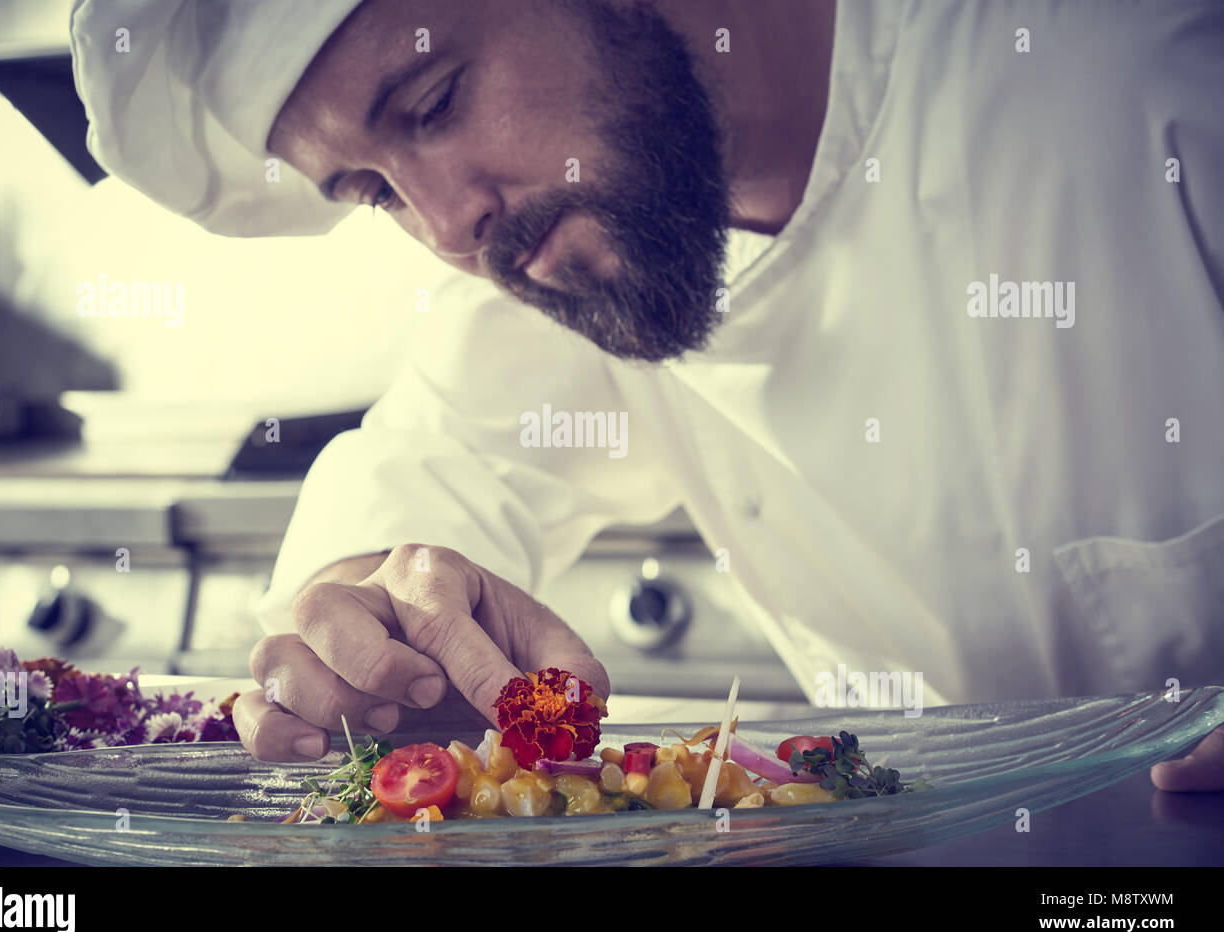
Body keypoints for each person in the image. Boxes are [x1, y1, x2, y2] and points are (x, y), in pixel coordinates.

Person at [70, 0, 1224, 789]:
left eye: (432, 103)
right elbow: (420, 497)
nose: (447, 226)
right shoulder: (584, 243)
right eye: (374, 190)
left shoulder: (1146, 73)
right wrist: (360, 628)